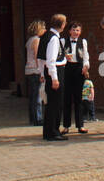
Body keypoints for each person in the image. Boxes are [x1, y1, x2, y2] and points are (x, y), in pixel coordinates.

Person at [39, 14, 66, 142]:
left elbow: (41, 58)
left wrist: (42, 73)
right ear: (62, 25)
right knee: (56, 103)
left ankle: (49, 131)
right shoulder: (54, 39)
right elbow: (50, 60)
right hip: (55, 72)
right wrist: (54, 78)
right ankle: (53, 131)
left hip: (49, 71)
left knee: (51, 103)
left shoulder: (46, 35)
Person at [61, 21, 90, 135]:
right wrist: (64, 57)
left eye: (78, 30)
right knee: (67, 98)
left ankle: (80, 125)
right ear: (69, 31)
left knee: (79, 98)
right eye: (73, 30)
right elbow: (58, 55)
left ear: (80, 31)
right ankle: (66, 126)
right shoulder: (63, 41)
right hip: (67, 69)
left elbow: (86, 57)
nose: (75, 32)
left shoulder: (83, 42)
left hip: (79, 69)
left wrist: (86, 66)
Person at [24, 20, 46, 127]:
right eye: (43, 28)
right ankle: (38, 118)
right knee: (38, 95)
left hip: (28, 69)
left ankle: (32, 118)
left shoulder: (29, 40)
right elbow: (38, 56)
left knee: (32, 95)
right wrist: (41, 70)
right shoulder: (37, 40)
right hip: (35, 70)